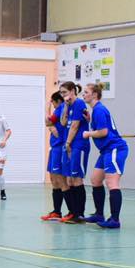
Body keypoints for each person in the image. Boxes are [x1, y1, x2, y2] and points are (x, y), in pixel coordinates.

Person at [81, 83, 127, 229]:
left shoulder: (99, 110)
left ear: (94, 94)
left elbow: (103, 132)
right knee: (95, 180)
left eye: (86, 92)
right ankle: (99, 214)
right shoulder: (95, 111)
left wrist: (88, 133)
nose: (83, 94)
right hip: (105, 150)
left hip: (114, 148)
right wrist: (90, 121)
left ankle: (115, 220)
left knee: (112, 183)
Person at [59, 81, 90, 223]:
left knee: (77, 178)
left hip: (78, 144)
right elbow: (63, 123)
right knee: (70, 179)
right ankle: (73, 211)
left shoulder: (79, 104)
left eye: (65, 92)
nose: (63, 95)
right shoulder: (67, 105)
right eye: (61, 93)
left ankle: (79, 214)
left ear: (72, 91)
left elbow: (75, 126)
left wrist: (67, 143)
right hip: (69, 144)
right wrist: (65, 106)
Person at [41, 91, 69, 220]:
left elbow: (47, 122)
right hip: (54, 147)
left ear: (57, 101)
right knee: (53, 179)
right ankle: (56, 211)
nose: (51, 104)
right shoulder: (58, 110)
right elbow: (50, 125)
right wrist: (51, 127)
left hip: (59, 147)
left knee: (61, 180)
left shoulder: (60, 108)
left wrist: (47, 109)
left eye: (52, 102)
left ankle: (71, 212)